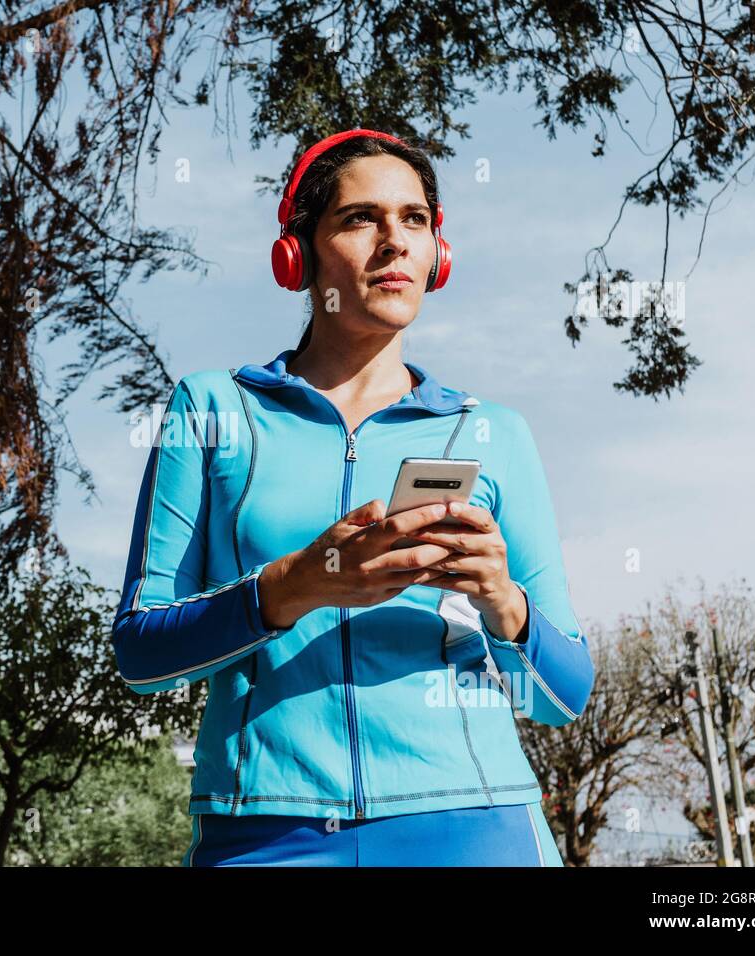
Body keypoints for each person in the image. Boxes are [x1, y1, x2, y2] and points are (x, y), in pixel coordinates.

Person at [111, 129, 594, 866]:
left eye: (415, 220)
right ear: (297, 254)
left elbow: (562, 700)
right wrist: (287, 589)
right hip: (265, 833)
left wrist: (507, 606)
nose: (395, 242)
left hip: (476, 824)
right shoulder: (212, 408)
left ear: (439, 257)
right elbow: (142, 657)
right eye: (361, 218)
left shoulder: (493, 432)